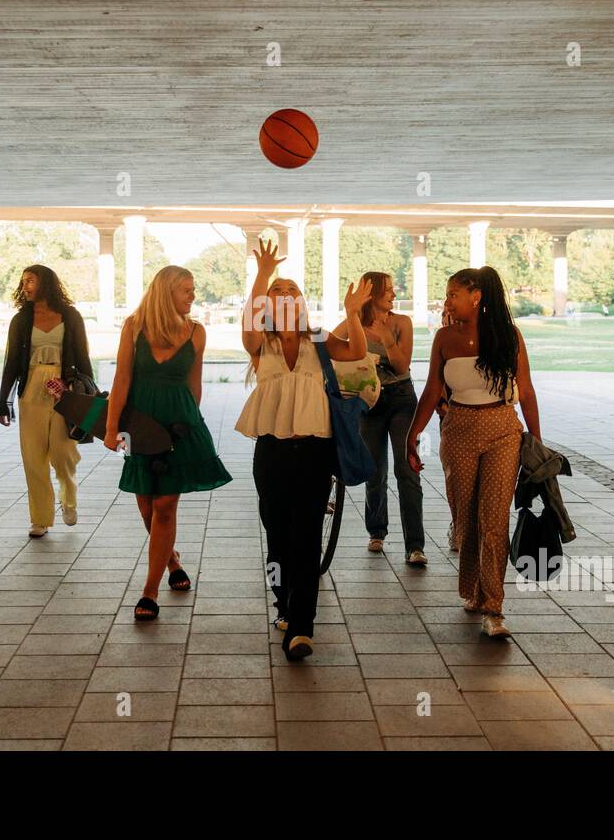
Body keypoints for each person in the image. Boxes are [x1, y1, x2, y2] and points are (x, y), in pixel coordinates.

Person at [236, 239, 371, 661]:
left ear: (302, 301)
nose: (285, 294)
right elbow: (248, 324)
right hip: (273, 452)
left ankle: (302, 627)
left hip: (315, 450)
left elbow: (357, 351)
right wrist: (263, 274)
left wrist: (352, 314)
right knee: (277, 536)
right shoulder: (262, 343)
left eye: (292, 289)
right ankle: (283, 602)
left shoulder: (317, 338)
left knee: (307, 535)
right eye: (279, 291)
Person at [405, 266, 541, 638]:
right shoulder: (444, 338)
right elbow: (433, 389)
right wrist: (412, 435)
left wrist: (537, 441)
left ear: (475, 296)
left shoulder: (508, 336)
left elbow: (525, 390)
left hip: (502, 429)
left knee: (494, 520)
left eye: (452, 294)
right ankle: (473, 591)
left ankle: (493, 606)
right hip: (459, 429)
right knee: (466, 519)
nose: (447, 300)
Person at [105, 266, 232, 622]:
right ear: (166, 293)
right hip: (140, 425)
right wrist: (111, 427)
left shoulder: (196, 331)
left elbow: (195, 385)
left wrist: (188, 428)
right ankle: (172, 560)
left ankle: (150, 589)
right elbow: (122, 378)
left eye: (193, 289)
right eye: (186, 290)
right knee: (146, 506)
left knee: (164, 506)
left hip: (179, 426)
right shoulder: (134, 327)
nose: (193, 296)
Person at [331, 272, 424, 565]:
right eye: (388, 290)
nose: (394, 295)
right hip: (367, 402)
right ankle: (377, 531)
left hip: (401, 399)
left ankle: (415, 545)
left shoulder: (402, 323)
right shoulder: (355, 321)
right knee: (374, 470)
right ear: (371, 293)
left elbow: (401, 365)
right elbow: (329, 343)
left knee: (406, 470)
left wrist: (385, 338)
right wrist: (352, 314)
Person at [0, 265, 94, 537]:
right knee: (33, 455)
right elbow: (11, 362)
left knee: (64, 453)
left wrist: (86, 396)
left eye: (31, 281)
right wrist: (3, 401)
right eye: (23, 281)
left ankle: (69, 498)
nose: (25, 286)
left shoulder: (71, 316)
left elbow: (83, 359)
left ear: (46, 283)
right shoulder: (21, 319)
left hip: (65, 390)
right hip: (32, 390)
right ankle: (40, 518)